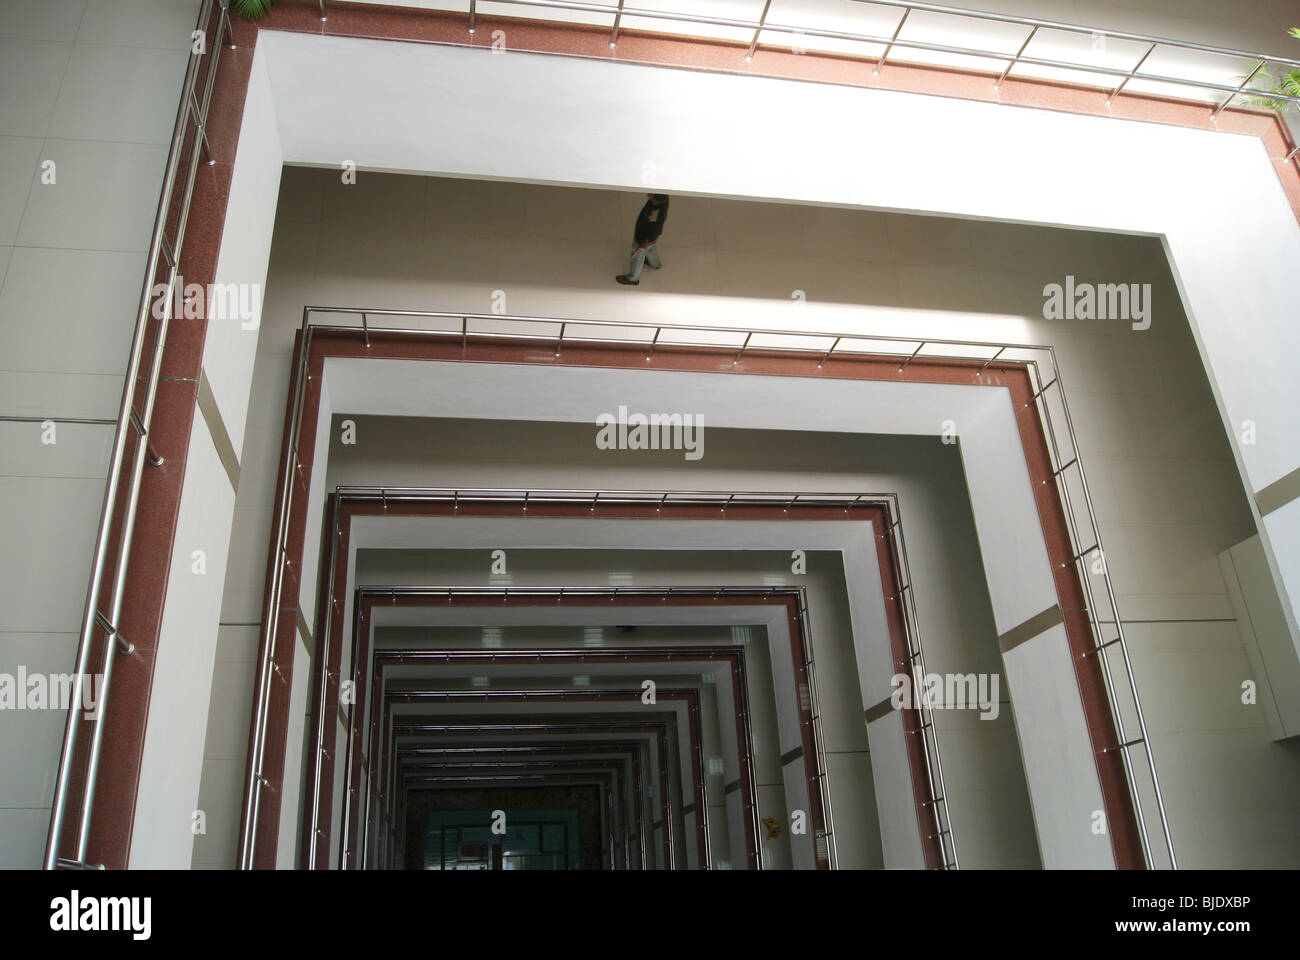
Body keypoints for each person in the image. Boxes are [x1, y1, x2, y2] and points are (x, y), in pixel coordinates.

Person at [616, 194, 669, 286]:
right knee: (650, 248)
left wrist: (644, 244)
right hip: (651, 239)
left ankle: (633, 278)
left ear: (656, 199)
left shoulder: (655, 213)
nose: (649, 195)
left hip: (643, 238)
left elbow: (654, 229)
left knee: (637, 256)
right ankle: (655, 264)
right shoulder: (663, 201)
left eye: (651, 195)